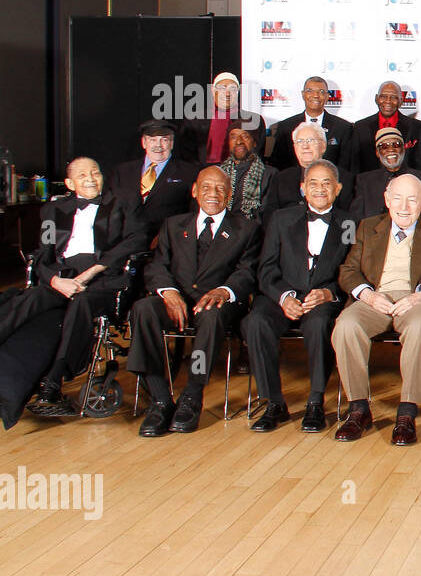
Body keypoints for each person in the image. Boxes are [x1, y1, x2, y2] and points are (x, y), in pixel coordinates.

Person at [128, 166, 261, 436]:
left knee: (211, 316)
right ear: (194, 191)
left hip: (220, 305)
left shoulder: (247, 228)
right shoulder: (173, 225)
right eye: (206, 187)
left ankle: (191, 395)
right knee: (143, 309)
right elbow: (156, 266)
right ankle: (160, 399)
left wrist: (224, 291)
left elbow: (248, 272)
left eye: (220, 188)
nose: (213, 194)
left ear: (230, 194)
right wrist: (168, 292)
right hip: (176, 299)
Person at [13, 158, 145, 417]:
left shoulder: (123, 202)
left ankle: (53, 382)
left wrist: (94, 271)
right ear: (69, 183)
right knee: (28, 301)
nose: (90, 178)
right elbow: (43, 253)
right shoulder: (53, 211)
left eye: (95, 172)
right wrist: (55, 280)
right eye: (83, 174)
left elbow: (136, 240)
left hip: (103, 276)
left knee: (81, 303)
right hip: (62, 276)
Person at [331, 173, 421, 446]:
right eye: (397, 198)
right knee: (346, 325)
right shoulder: (367, 228)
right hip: (375, 298)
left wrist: (420, 296)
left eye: (412, 200)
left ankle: (407, 413)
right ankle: (359, 409)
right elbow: (348, 271)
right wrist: (367, 294)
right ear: (386, 200)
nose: (404, 206)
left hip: (417, 300)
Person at [242, 160, 354, 433]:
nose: (320, 189)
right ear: (302, 188)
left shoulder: (351, 223)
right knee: (255, 322)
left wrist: (330, 293)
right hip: (282, 295)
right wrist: (284, 297)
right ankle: (273, 402)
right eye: (313, 183)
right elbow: (266, 268)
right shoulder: (280, 219)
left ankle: (315, 402)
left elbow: (354, 270)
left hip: (322, 298)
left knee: (318, 325)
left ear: (337, 189)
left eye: (327, 183)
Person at [106, 121, 199, 244]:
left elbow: (193, 213)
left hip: (167, 243)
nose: (158, 145)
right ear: (144, 143)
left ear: (172, 143)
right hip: (123, 244)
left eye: (164, 140)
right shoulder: (122, 171)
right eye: (152, 140)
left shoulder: (189, 172)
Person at [264, 122, 355, 216]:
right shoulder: (281, 178)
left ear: (323, 146)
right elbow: (269, 215)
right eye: (300, 141)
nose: (305, 146)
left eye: (311, 140)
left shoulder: (345, 178)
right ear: (295, 147)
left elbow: (347, 217)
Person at [176, 71, 266, 166]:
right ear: (213, 90)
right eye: (222, 88)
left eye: (232, 88)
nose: (227, 93)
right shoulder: (194, 120)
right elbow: (186, 155)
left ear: (238, 92)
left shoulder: (254, 120)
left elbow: (257, 153)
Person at [266, 76, 352, 171]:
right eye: (310, 90)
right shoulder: (285, 127)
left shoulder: (343, 128)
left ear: (327, 96)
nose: (315, 95)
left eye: (321, 91)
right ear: (303, 94)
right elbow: (278, 164)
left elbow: (346, 166)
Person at [351, 127, 421, 222]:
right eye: (384, 146)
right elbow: (356, 219)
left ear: (403, 149)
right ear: (377, 153)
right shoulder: (364, 181)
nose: (391, 149)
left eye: (396, 144)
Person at [344, 81, 417, 175]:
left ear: (401, 101)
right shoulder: (360, 127)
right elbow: (354, 164)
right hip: (369, 185)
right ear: (376, 99)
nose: (388, 101)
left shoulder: (416, 127)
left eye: (394, 97)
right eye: (383, 96)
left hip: (406, 183)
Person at [219, 127, 272, 221]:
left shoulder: (269, 174)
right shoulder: (217, 172)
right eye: (233, 137)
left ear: (254, 142)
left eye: (245, 136)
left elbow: (267, 214)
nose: (239, 142)